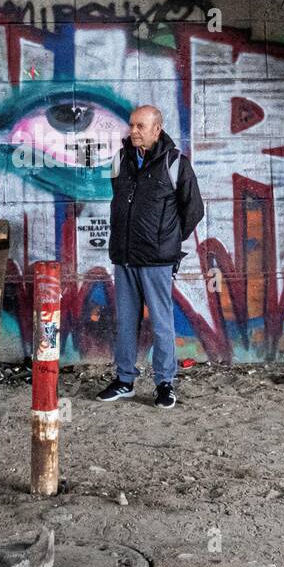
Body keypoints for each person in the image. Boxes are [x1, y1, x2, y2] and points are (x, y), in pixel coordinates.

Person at [97, 105, 204, 409]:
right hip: (125, 257)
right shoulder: (121, 160)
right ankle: (125, 380)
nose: (133, 131)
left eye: (140, 126)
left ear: (157, 129)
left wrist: (166, 241)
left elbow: (193, 210)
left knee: (161, 323)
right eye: (131, 125)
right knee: (126, 322)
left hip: (157, 260)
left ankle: (165, 384)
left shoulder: (175, 163)